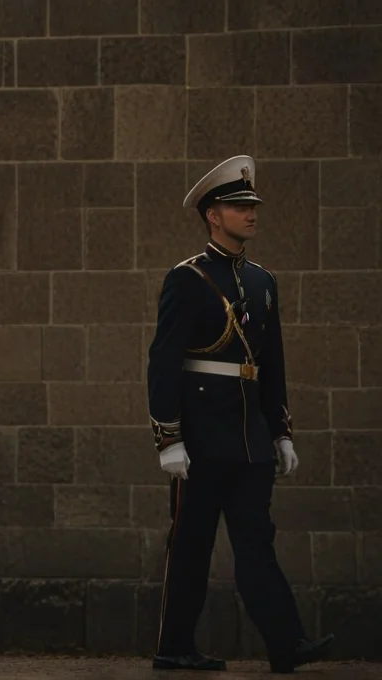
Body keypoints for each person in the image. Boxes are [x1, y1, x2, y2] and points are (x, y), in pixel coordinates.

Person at [147, 156, 335, 673]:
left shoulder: (263, 281)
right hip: (202, 437)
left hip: (251, 437)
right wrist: (169, 437)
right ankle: (174, 647)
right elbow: (163, 361)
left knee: (256, 543)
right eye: (238, 206)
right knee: (191, 545)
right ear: (213, 215)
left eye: (252, 205)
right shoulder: (188, 278)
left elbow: (271, 362)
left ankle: (287, 645)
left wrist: (281, 432)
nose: (251, 213)